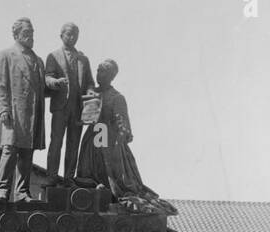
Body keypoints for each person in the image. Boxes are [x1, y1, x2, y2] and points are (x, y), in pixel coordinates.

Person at [75, 59, 178, 215]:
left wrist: (122, 135)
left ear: (111, 76)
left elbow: (122, 121)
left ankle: (107, 189)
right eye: (98, 71)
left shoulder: (117, 97)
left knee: (111, 172)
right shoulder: (92, 93)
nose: (99, 74)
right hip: (93, 136)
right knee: (88, 169)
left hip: (108, 139)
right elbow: (85, 118)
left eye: (103, 72)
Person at [0, 17, 47, 204]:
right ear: (16, 35)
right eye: (26, 33)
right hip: (14, 113)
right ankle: (3, 191)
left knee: (27, 153)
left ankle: (22, 192)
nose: (30, 36)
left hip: (32, 115)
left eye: (32, 33)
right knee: (10, 150)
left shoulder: (38, 61)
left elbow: (41, 88)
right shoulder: (6, 55)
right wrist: (3, 109)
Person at [42, 22, 95, 187]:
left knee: (73, 144)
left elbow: (90, 83)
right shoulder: (53, 56)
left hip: (78, 108)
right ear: (61, 35)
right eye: (69, 34)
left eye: (75, 35)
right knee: (56, 142)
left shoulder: (83, 60)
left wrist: (91, 93)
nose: (72, 37)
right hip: (60, 106)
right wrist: (56, 82)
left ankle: (68, 178)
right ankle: (51, 177)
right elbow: (47, 77)